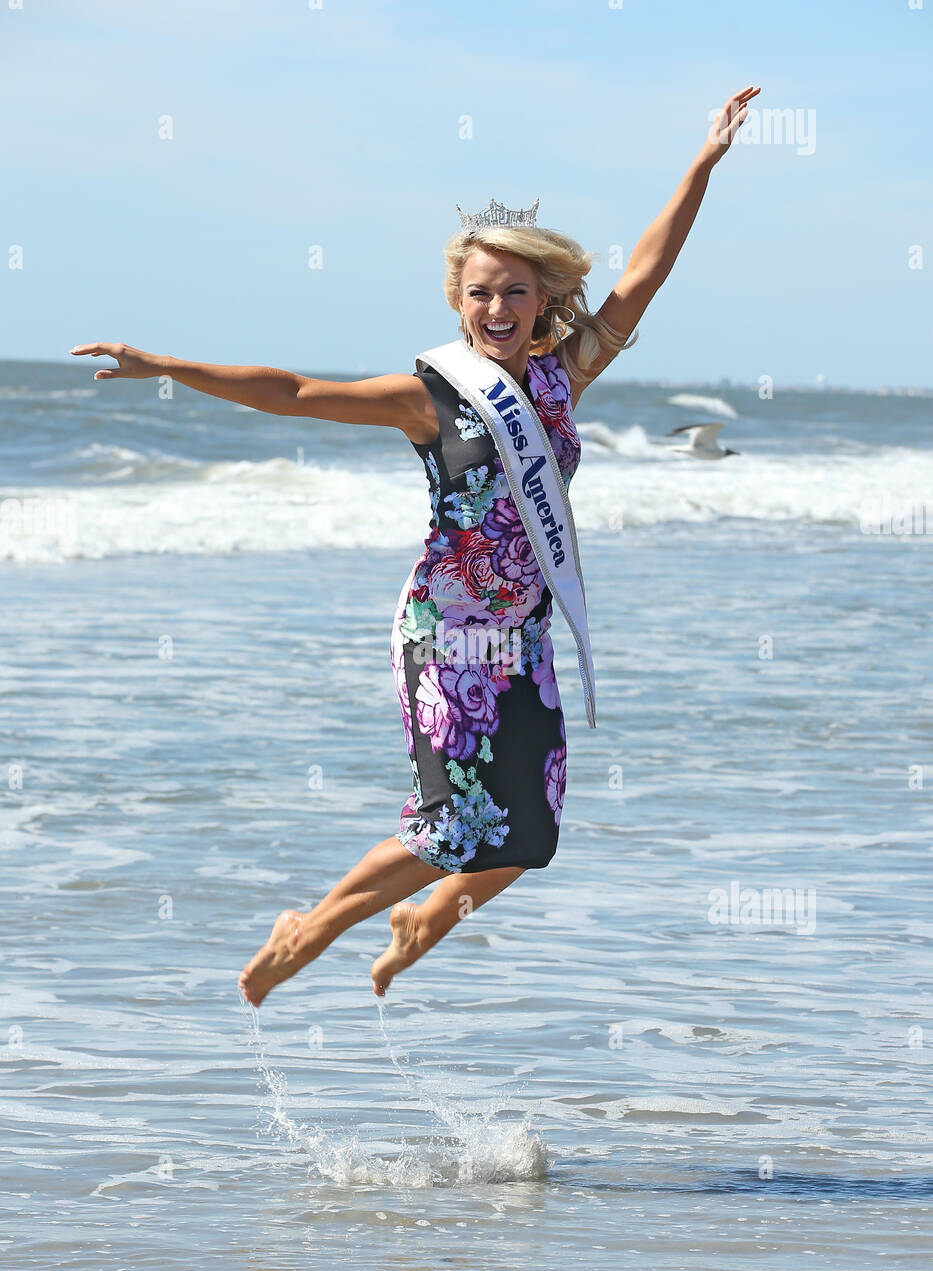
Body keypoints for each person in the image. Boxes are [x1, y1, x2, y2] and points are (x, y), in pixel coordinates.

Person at [71, 86, 759, 1004]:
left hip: (521, 635)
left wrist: (701, 163)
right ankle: (305, 931)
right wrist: (165, 366)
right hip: (444, 637)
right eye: (481, 292)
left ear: (545, 299)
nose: (498, 306)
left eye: (517, 290)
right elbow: (294, 392)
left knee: (531, 829)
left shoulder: (564, 378)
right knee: (453, 821)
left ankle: (425, 918)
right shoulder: (425, 398)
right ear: (459, 303)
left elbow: (647, 268)